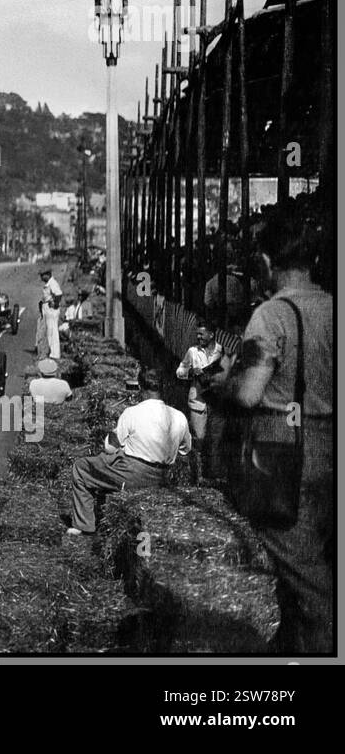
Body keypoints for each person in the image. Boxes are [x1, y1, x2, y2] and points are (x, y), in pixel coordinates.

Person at [210, 214, 332, 654]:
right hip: (329, 449)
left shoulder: (272, 316)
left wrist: (219, 381)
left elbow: (247, 394)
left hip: (284, 454)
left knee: (306, 576)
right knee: (312, 559)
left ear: (265, 262)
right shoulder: (333, 307)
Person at [66, 370, 190, 536]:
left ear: (140, 388)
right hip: (164, 477)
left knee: (81, 468)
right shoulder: (179, 417)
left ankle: (84, 525)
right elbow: (185, 449)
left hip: (133, 474)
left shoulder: (131, 413)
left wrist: (113, 437)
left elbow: (110, 448)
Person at [175, 320, 224, 484]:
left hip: (216, 403)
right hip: (198, 402)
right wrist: (190, 372)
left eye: (201, 334)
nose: (198, 337)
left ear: (211, 335)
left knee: (215, 441)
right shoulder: (192, 351)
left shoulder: (221, 351)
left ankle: (214, 474)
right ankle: (198, 475)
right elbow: (179, 370)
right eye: (197, 334)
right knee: (199, 439)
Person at [36, 268, 62, 359]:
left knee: (52, 332)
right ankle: (51, 352)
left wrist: (55, 304)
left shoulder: (52, 283)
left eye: (42, 275)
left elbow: (58, 294)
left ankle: (54, 354)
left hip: (51, 310)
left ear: (48, 274)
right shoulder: (49, 284)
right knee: (49, 333)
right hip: (47, 309)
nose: (41, 278)